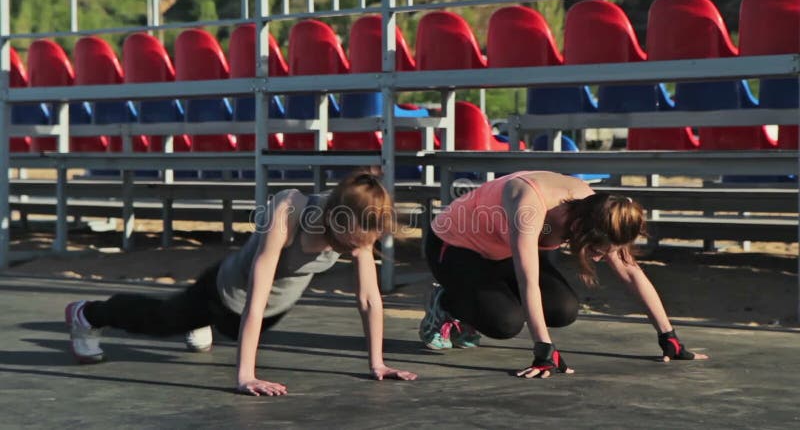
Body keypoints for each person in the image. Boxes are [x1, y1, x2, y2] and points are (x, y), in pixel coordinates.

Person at [65, 171, 418, 395]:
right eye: (351, 242)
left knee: (234, 331)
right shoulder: (290, 209)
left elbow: (369, 299)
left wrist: (378, 364)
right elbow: (256, 295)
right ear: (335, 218)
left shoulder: (359, 224)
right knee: (162, 321)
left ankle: (206, 325)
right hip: (225, 292)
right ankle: (89, 314)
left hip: (271, 310)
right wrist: (245, 376)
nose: (356, 249)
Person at [419, 170, 708, 378]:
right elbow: (527, 280)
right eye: (597, 249)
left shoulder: (595, 207)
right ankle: (448, 302)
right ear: (582, 229)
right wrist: (544, 351)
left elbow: (630, 271)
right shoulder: (529, 206)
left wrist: (668, 336)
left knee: (563, 309)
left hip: (501, 249)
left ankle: (479, 299)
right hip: (455, 246)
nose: (598, 256)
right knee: (505, 323)